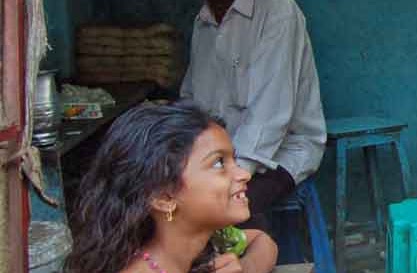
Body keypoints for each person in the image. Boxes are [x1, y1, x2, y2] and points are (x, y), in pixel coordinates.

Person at [180, 0, 326, 229]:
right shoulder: (202, 23)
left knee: (229, 214)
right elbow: (192, 102)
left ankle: (259, 252)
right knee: (167, 206)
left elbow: (270, 113)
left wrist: (231, 175)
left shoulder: (276, 8)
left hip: (280, 153)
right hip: (221, 157)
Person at [65, 101, 278, 273]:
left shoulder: (214, 239)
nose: (244, 174)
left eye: (234, 160)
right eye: (218, 163)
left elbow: (263, 241)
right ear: (164, 197)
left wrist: (247, 267)